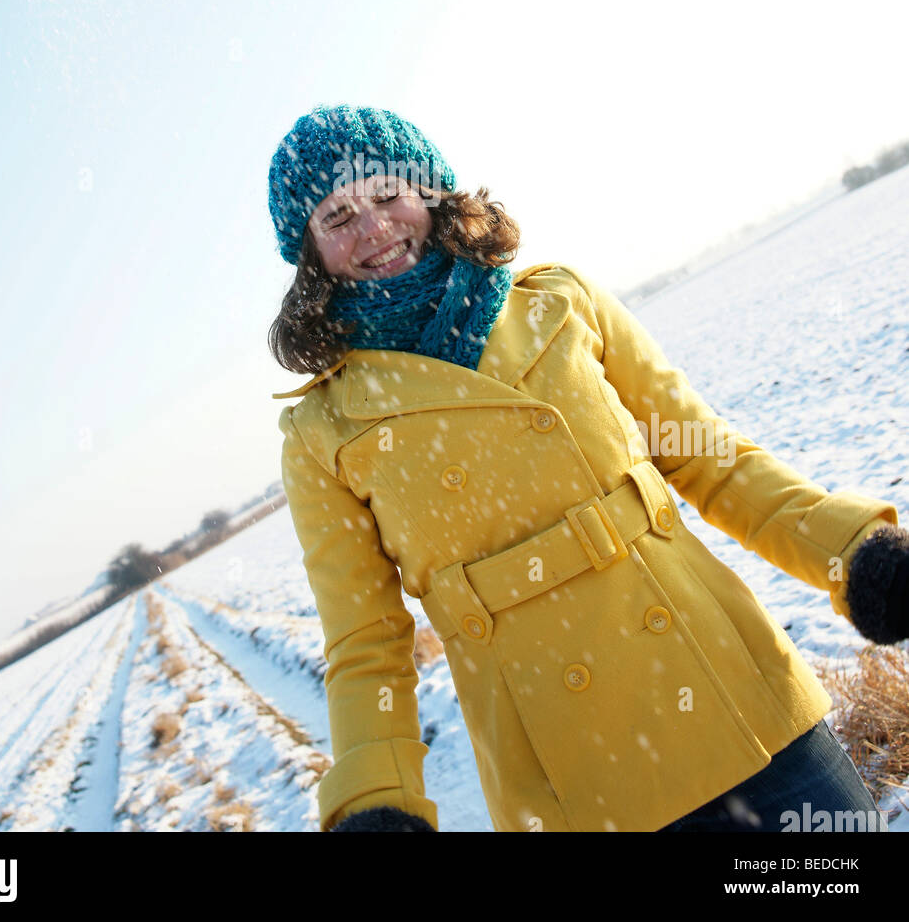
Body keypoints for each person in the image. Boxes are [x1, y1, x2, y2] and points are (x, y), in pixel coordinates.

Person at [266, 104, 908, 833]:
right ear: (310, 252)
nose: (375, 229)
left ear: (431, 193)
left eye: (387, 194)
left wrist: (848, 549)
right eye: (339, 215)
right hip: (572, 787)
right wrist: (373, 796)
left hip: (734, 700)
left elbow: (708, 459)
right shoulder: (320, 433)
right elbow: (366, 642)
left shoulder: (560, 304)